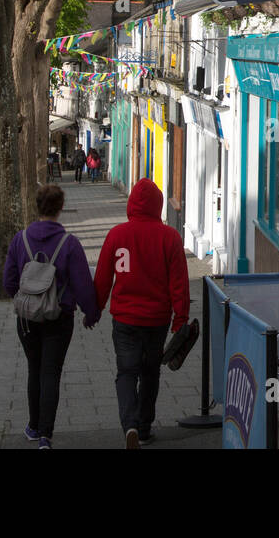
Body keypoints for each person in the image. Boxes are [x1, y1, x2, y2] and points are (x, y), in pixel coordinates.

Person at [93, 178, 189, 448]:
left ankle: (130, 425)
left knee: (126, 372)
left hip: (124, 318)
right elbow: (179, 283)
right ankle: (144, 427)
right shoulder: (170, 237)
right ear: (158, 205)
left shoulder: (117, 235)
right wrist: (180, 319)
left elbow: (102, 278)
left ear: (131, 203)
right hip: (157, 319)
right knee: (150, 372)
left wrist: (95, 310)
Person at [3, 184, 100, 449]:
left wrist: (24, 298)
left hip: (26, 320)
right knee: (51, 373)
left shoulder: (19, 239)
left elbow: (8, 281)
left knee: (34, 369)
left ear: (37, 207)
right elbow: (82, 284)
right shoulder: (69, 244)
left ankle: (33, 426)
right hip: (59, 317)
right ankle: (46, 434)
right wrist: (91, 313)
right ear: (60, 208)